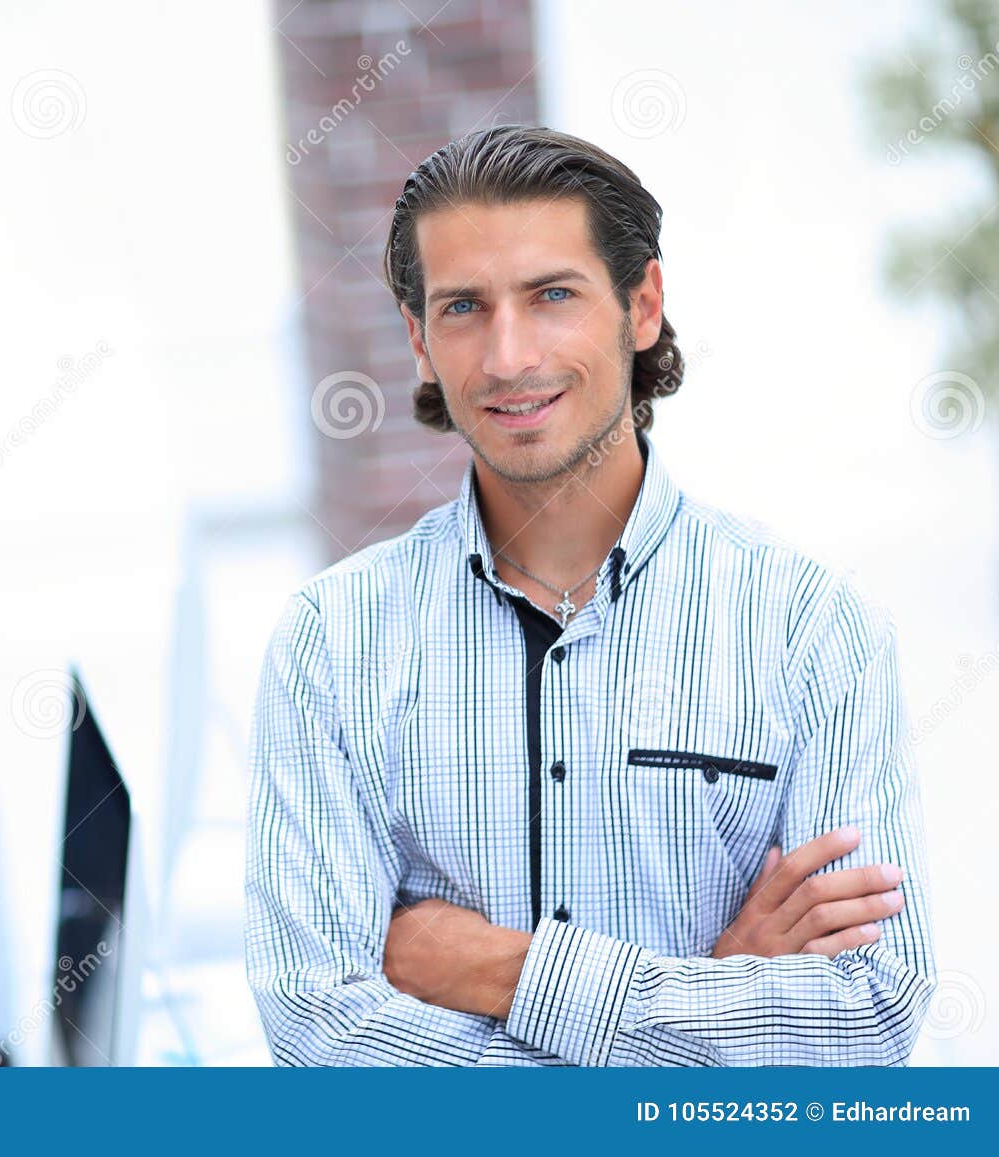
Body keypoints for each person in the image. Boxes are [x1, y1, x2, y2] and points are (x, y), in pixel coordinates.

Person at [245, 125, 937, 1066]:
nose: (507, 356)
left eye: (552, 295)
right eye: (462, 308)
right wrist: (713, 989)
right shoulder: (331, 643)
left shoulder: (813, 630)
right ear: (417, 339)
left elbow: (867, 1012)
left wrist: (505, 971)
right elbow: (318, 1030)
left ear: (642, 304)